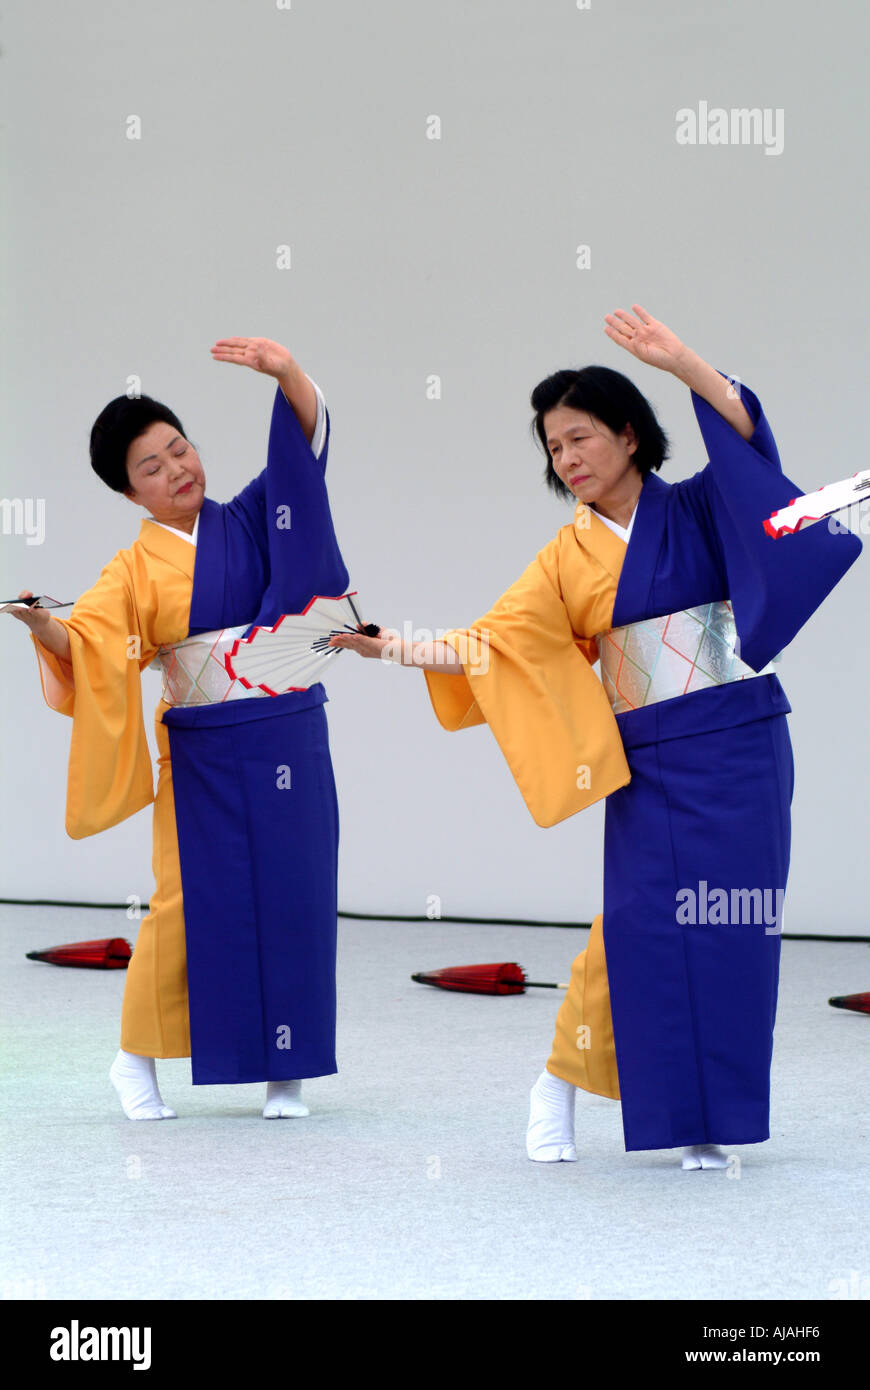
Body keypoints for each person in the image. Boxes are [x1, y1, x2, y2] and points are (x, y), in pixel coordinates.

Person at [330, 305, 862, 1169]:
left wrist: (681, 360)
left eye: (580, 437)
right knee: (641, 931)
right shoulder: (563, 560)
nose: (567, 458)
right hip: (647, 760)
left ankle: (704, 1123)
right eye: (553, 448)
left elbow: (746, 443)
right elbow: (491, 643)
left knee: (732, 933)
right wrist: (389, 646)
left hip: (740, 740)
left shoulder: (697, 507)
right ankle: (565, 1080)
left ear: (628, 434)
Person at [10, 337, 349, 1120]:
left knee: (296, 892)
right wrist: (41, 625)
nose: (176, 471)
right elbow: (92, 643)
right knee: (187, 902)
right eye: (151, 470)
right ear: (130, 496)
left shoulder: (262, 515)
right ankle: (135, 1059)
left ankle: (284, 1072)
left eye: (179, 449)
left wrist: (287, 374)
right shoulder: (131, 570)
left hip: (288, 725)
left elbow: (305, 451)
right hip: (202, 747)